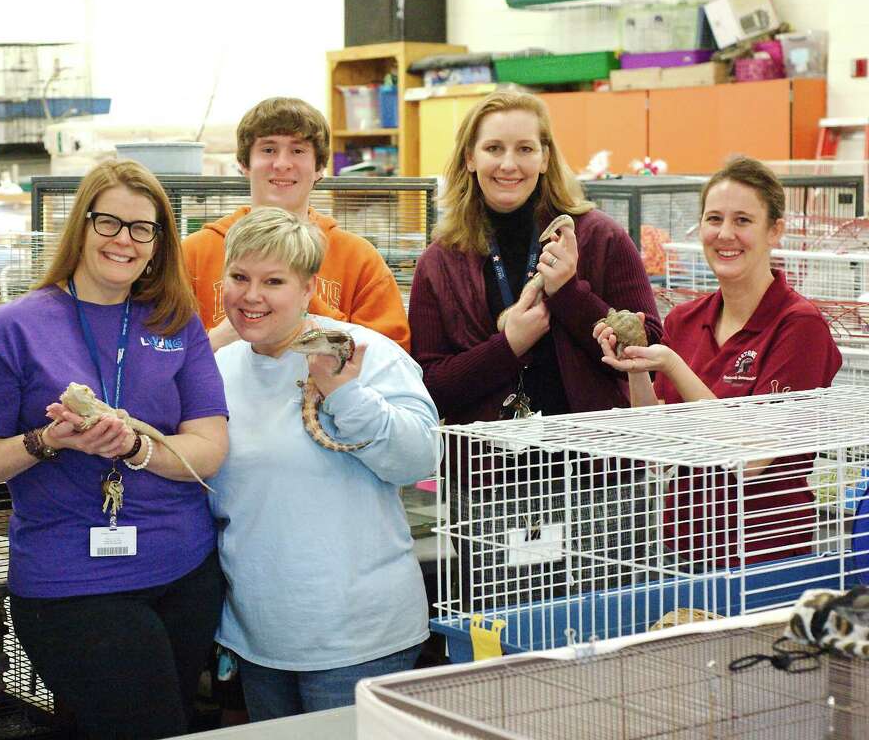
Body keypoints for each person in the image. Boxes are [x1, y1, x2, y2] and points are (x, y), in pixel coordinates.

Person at [0, 159, 229, 739]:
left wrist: (137, 449)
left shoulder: (176, 322)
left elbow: (209, 449)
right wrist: (46, 441)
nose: (123, 240)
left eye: (142, 228)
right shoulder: (16, 327)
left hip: (184, 572)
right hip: (72, 581)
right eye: (109, 222)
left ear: (158, 244)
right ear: (81, 226)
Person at [408, 90, 664, 608]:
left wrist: (569, 291)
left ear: (546, 157)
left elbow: (648, 349)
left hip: (600, 483)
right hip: (490, 490)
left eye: (525, 148)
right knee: (508, 630)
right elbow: (430, 388)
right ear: (469, 158)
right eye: (494, 149)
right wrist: (509, 347)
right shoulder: (441, 260)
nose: (510, 164)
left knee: (608, 623)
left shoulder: (599, 237)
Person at [208, 207, 439, 720]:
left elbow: (419, 458)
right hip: (259, 635)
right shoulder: (217, 369)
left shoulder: (364, 353)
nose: (251, 295)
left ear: (309, 287)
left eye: (274, 281)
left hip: (359, 636)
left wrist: (344, 393)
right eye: (239, 277)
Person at [596, 155, 842, 569]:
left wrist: (672, 365)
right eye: (714, 219)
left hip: (764, 554)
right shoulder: (684, 320)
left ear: (774, 231)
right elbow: (655, 442)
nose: (725, 234)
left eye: (743, 220)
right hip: (683, 547)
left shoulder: (799, 326)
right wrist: (636, 366)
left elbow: (751, 459)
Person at [183, 96, 410, 352]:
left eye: (298, 151)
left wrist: (304, 308)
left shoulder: (359, 259)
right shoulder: (194, 254)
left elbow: (393, 357)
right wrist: (212, 344)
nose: (282, 164)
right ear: (245, 164)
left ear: (319, 167)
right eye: (268, 150)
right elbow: (157, 353)